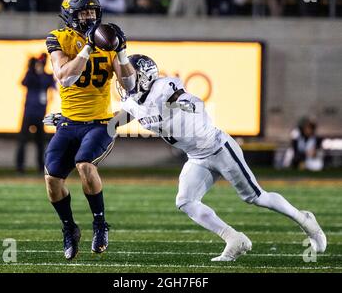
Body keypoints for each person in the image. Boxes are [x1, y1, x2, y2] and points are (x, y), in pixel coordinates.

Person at [108, 54, 327, 261]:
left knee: (256, 197)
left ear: (145, 76)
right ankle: (234, 238)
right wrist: (102, 126)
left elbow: (190, 100)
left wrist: (179, 104)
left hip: (218, 147)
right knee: (185, 201)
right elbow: (122, 118)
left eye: (129, 75)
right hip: (196, 157)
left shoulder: (163, 87)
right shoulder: (132, 102)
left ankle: (305, 220)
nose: (125, 81)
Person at [44, 0, 135, 260]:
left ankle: (99, 224)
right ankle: (70, 228)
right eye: (84, 12)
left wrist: (121, 53)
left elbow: (128, 85)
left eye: (93, 12)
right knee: (52, 179)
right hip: (69, 122)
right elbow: (65, 78)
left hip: (101, 123)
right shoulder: (58, 38)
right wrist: (87, 48)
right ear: (70, 15)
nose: (90, 17)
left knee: (85, 163)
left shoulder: (107, 40)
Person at [16, 54, 56, 174]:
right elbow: (24, 82)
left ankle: (40, 167)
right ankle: (20, 167)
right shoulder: (31, 75)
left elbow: (53, 86)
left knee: (40, 142)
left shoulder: (46, 76)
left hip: (39, 114)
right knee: (22, 141)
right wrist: (30, 69)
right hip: (29, 113)